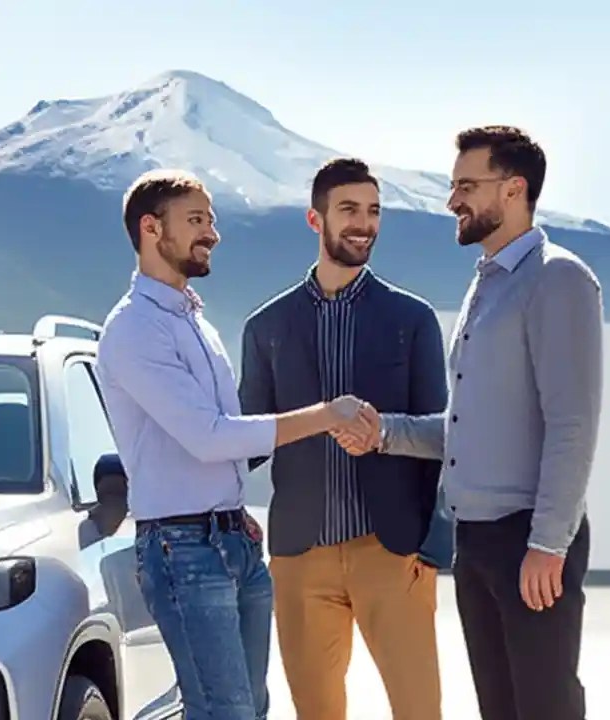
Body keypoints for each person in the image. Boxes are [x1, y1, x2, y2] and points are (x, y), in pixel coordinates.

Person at [334, 126, 603, 720]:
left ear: (513, 189)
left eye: (465, 185)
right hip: (476, 540)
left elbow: (572, 424)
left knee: (546, 709)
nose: (452, 199)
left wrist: (548, 543)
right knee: (499, 710)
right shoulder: (486, 284)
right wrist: (384, 432)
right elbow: (469, 429)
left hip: (528, 539)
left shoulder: (557, 279)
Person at [95, 168, 365, 720]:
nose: (212, 233)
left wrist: (233, 507)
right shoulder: (134, 329)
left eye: (211, 220)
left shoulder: (194, 319)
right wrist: (326, 414)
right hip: (183, 550)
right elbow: (209, 436)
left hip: (230, 541)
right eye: (195, 220)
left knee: (249, 710)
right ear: (151, 228)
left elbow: (226, 435)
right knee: (227, 712)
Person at [238, 158, 449, 720]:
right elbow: (247, 440)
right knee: (316, 711)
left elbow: (445, 437)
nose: (364, 223)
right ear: (316, 219)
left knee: (418, 709)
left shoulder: (413, 319)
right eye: (349, 209)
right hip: (300, 555)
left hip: (392, 550)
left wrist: (432, 547)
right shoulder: (267, 327)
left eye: (374, 211)